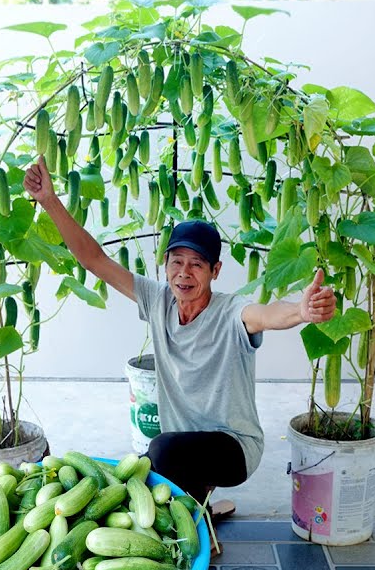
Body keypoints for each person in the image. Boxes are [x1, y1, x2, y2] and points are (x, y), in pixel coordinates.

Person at [23, 155, 336, 522]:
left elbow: (265, 314)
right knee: (149, 469)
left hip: (234, 448)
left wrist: (300, 311)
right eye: (177, 261)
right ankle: (197, 513)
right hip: (185, 447)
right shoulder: (158, 301)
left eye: (197, 264)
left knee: (158, 455)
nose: (184, 273)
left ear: (215, 270)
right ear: (165, 263)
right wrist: (49, 201)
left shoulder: (230, 312)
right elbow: (94, 260)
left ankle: (187, 517)